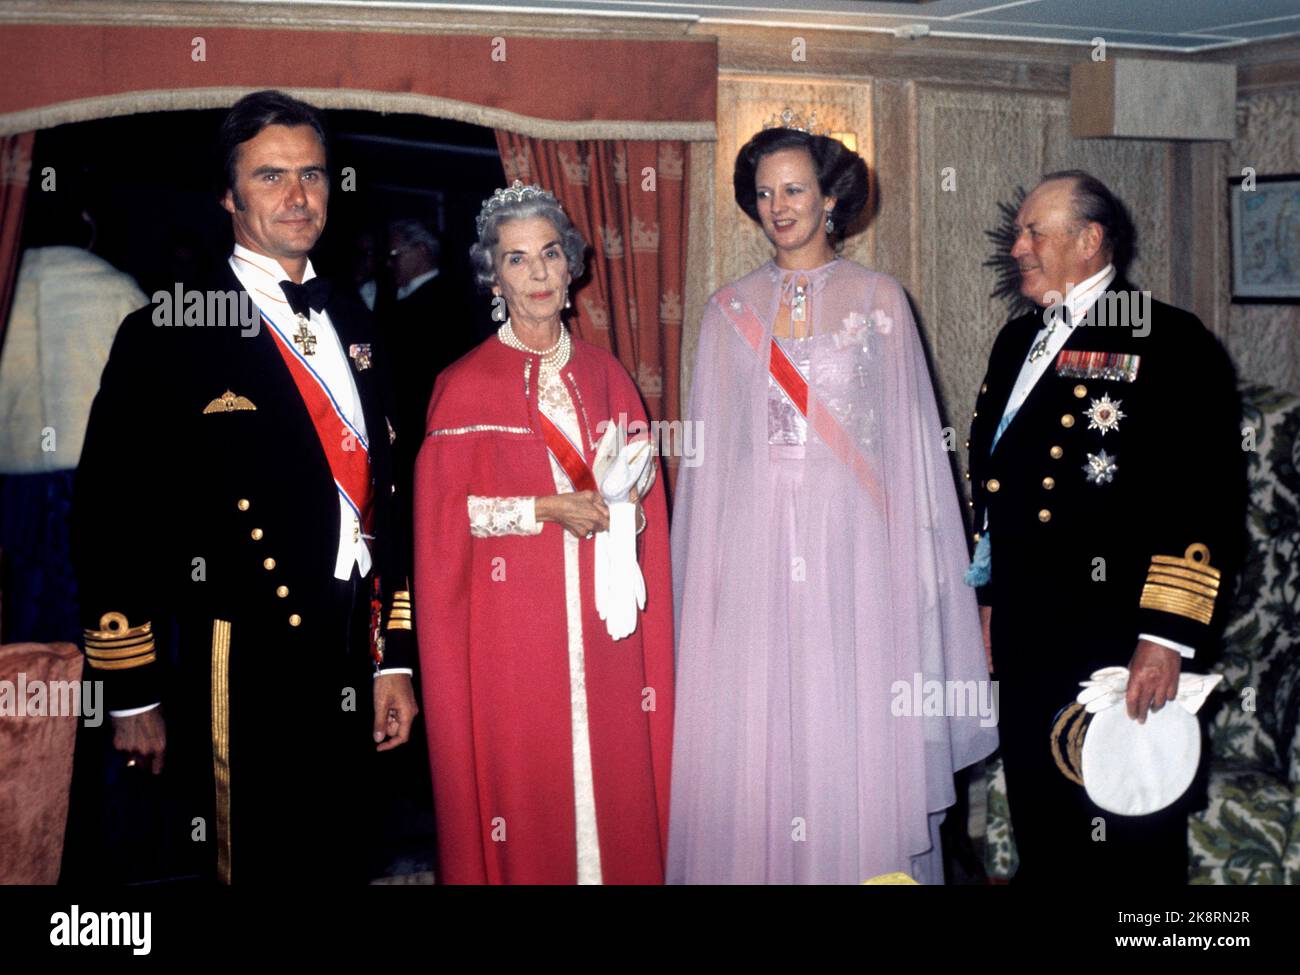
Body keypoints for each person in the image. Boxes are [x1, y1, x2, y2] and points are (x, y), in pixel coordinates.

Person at [70, 90, 419, 884]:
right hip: (236, 654)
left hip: (345, 643)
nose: (299, 198)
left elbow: (386, 507)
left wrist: (390, 657)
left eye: (313, 175)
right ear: (227, 195)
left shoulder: (358, 325)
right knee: (250, 864)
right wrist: (130, 688)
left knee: (340, 856)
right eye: (271, 177)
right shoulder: (167, 330)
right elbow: (109, 517)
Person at [668, 120, 997, 884]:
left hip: (851, 548)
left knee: (841, 714)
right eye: (763, 193)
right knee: (760, 723)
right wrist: (706, 578)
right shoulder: (727, 311)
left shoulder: (881, 300)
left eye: (793, 190)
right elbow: (713, 457)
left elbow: (911, 450)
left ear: (829, 198)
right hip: (753, 550)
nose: (778, 206)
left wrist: (914, 565)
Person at [966, 171, 1244, 884]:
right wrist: (990, 595)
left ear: (1091, 241)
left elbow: (1204, 503)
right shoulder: (1017, 341)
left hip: (1115, 639)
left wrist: (1166, 637)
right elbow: (997, 487)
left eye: (1036, 232)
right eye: (1019, 232)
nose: (1017, 246)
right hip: (1031, 635)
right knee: (1046, 823)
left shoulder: (1170, 341)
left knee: (1126, 837)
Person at [413, 181, 674, 884]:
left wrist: (624, 503)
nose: (536, 274)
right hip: (511, 636)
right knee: (529, 801)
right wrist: (545, 510)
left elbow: (648, 509)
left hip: (605, 627)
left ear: (571, 266)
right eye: (517, 260)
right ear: (492, 276)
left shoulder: (609, 376)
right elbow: (445, 523)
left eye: (549, 255)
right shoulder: (463, 385)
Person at [383, 218, 476, 481]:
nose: (390, 263)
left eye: (395, 255)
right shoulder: (399, 299)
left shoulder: (441, 299)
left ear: (422, 251)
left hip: (425, 419)